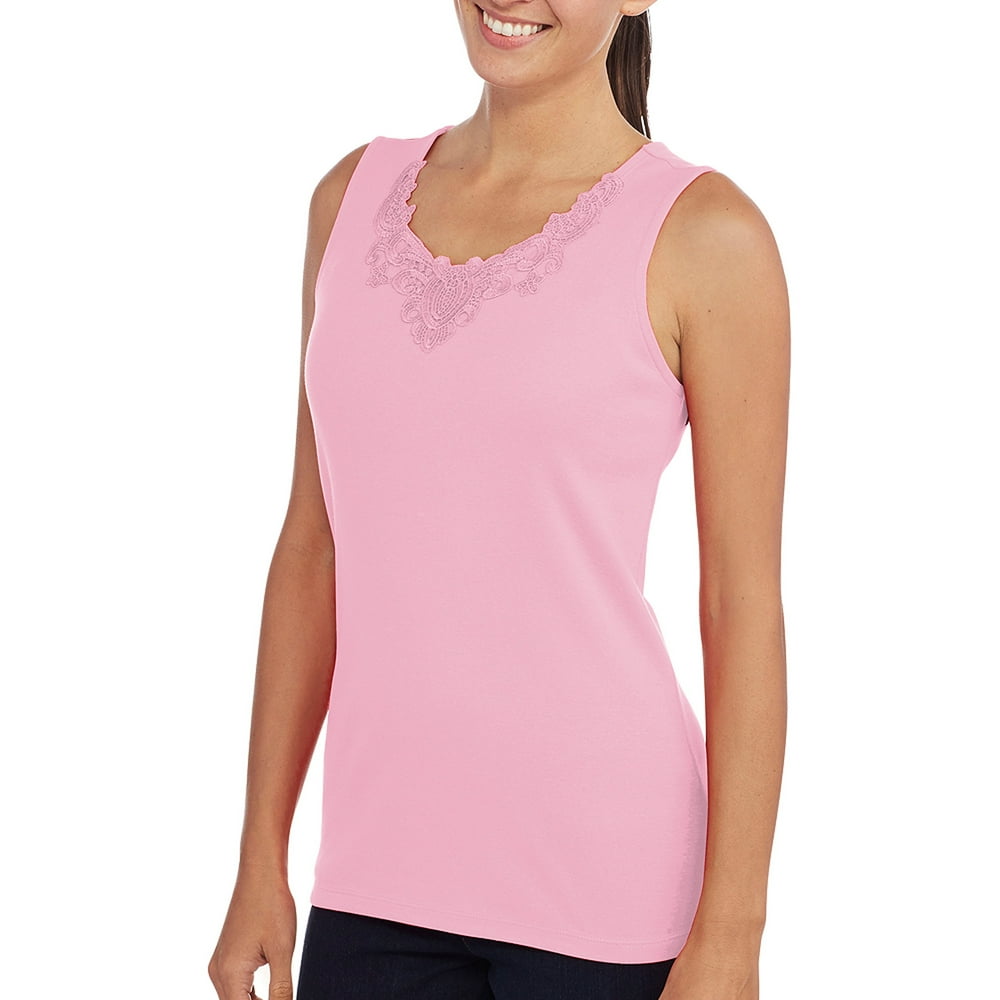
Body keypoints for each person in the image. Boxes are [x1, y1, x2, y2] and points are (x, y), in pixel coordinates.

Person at [208, 1, 789, 998]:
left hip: (605, 893)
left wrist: (732, 934)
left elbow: (740, 603)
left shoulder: (707, 235)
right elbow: (313, 547)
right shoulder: (349, 198)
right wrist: (260, 854)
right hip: (376, 878)